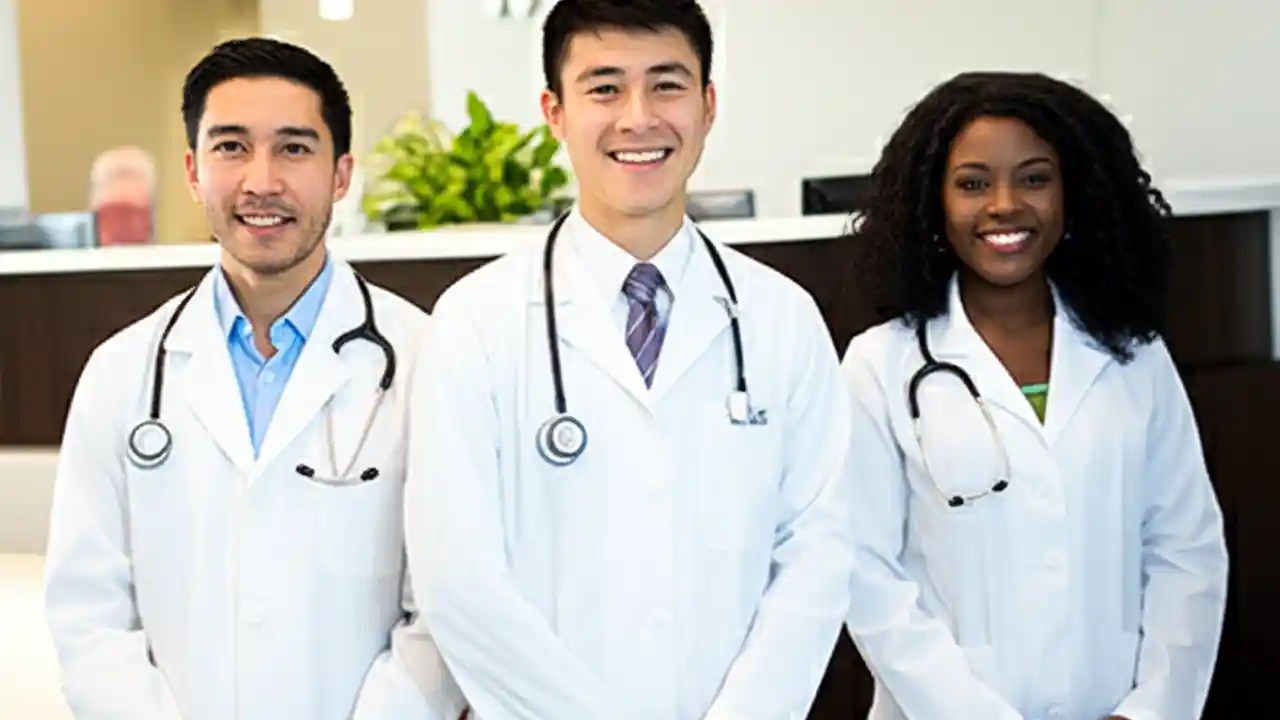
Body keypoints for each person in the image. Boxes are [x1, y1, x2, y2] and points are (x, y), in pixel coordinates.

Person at [403, 1, 853, 718]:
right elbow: (457, 576)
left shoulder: (782, 317)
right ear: (554, 111)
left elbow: (818, 553)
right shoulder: (475, 320)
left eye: (667, 85)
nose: (638, 117)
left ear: (708, 106)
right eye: (604, 88)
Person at [43, 37, 463, 719]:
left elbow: (445, 610)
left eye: (294, 148)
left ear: (341, 173)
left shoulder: (429, 361)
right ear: (193, 169)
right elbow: (87, 614)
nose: (260, 181)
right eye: (231, 147)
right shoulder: (123, 373)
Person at [839, 71, 1229, 720]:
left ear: (1073, 194)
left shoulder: (1134, 355)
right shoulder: (882, 365)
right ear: (934, 203)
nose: (1004, 205)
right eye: (972, 183)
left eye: (1034, 178)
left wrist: (1152, 709)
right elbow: (867, 573)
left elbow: (1185, 549)